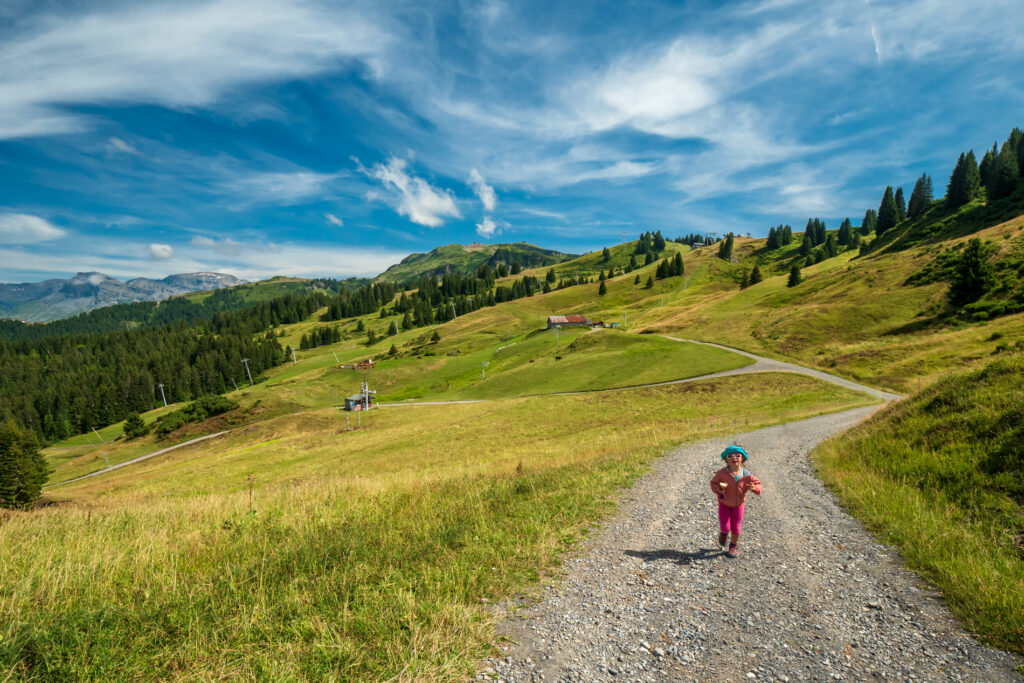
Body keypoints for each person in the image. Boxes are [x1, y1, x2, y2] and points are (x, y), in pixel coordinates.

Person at [710, 445, 762, 558]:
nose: (734, 458)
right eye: (730, 456)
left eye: (738, 456)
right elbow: (713, 483)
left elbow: (758, 484)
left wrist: (755, 488)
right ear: (726, 460)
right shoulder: (721, 473)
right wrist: (718, 489)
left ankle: (733, 546)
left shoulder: (747, 475)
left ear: (742, 459)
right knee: (725, 527)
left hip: (739, 505)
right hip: (724, 504)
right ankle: (724, 534)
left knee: (736, 528)